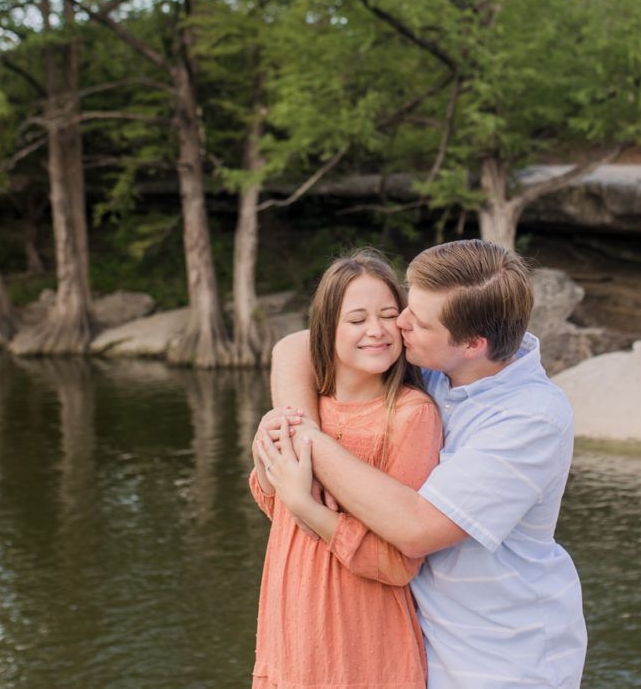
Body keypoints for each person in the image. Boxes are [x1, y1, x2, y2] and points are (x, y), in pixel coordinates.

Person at [266, 239, 587, 689]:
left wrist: (307, 450)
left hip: (502, 659)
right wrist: (298, 424)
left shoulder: (530, 419)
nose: (399, 323)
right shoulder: (439, 363)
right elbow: (296, 346)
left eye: (417, 319)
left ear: (473, 343)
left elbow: (417, 529)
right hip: (420, 644)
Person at [249, 250, 443, 689]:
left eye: (388, 315)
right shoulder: (304, 407)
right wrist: (264, 453)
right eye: (356, 319)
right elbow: (276, 510)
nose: (375, 330)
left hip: (361, 648)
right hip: (290, 639)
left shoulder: (410, 416)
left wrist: (307, 506)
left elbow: (399, 563)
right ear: (327, 328)